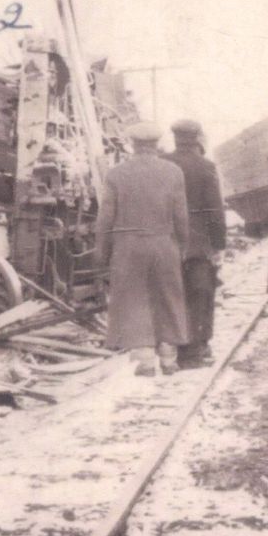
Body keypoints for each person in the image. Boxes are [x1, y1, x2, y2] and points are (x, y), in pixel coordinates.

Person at [95, 122, 190, 376]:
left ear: (132, 145)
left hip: (128, 247)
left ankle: (145, 359)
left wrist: (101, 252)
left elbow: (105, 219)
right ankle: (169, 357)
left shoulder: (116, 174)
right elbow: (181, 215)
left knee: (135, 299)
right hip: (163, 244)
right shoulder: (173, 172)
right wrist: (182, 244)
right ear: (156, 145)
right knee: (167, 296)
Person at [166, 118, 227, 370]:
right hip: (199, 244)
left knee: (175, 296)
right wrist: (219, 244)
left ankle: (176, 349)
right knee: (200, 296)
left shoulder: (164, 164)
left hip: (170, 243)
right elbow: (215, 210)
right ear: (199, 138)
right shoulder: (205, 167)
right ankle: (195, 352)